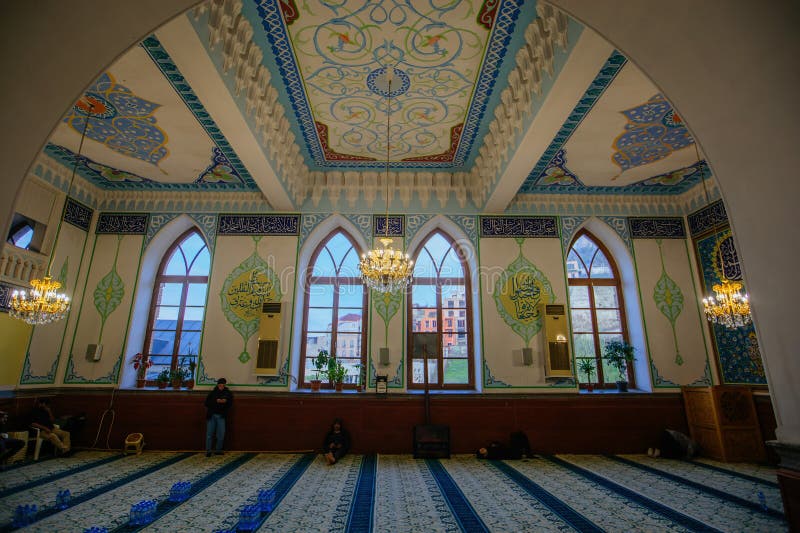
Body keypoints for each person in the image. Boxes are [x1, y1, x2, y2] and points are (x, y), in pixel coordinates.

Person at [205, 377, 233, 457]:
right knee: (209, 434)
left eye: (222, 385)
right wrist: (216, 401)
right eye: (220, 385)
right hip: (212, 415)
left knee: (221, 434)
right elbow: (206, 403)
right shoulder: (213, 393)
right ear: (217, 385)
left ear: (224, 385)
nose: (221, 387)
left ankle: (218, 450)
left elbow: (230, 403)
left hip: (221, 415)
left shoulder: (227, 393)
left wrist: (225, 401)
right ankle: (208, 450)